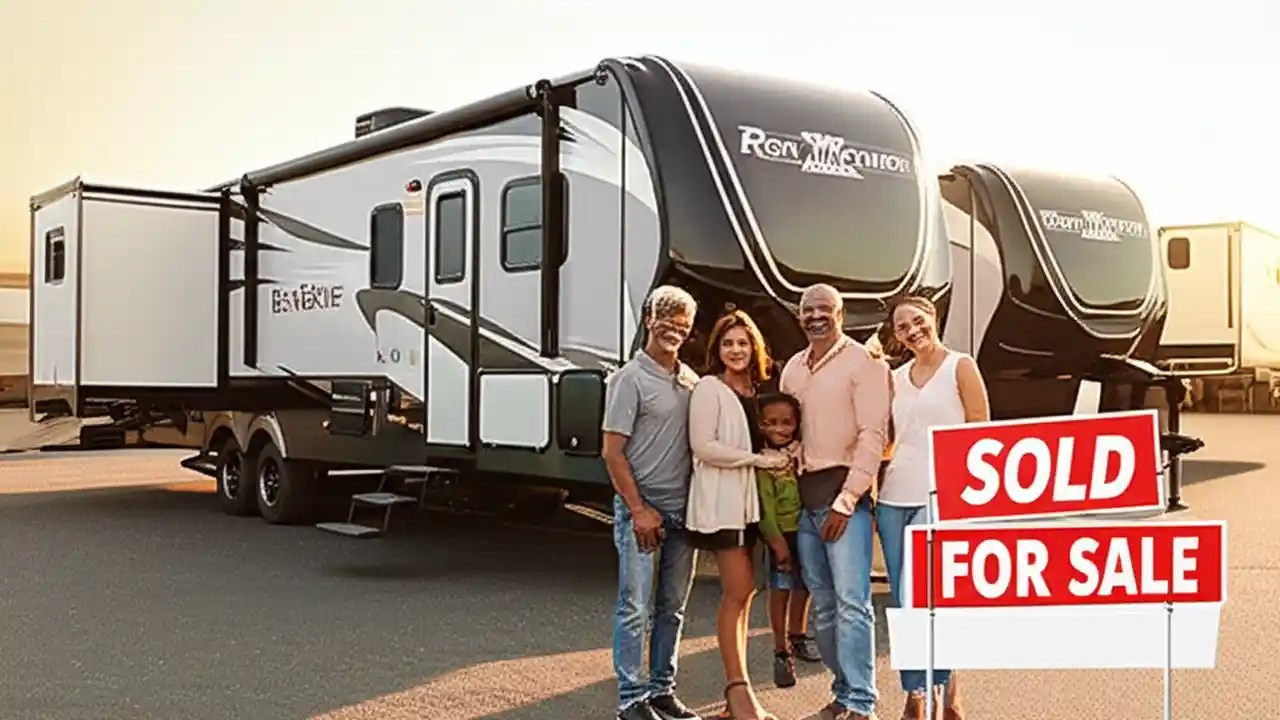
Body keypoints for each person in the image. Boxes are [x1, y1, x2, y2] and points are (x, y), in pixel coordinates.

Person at [778, 283, 892, 720]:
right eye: (808, 309)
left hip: (845, 499)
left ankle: (863, 703)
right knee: (822, 606)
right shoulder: (792, 368)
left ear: (841, 314)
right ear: (799, 315)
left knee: (852, 603)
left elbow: (873, 435)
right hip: (805, 500)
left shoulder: (864, 363)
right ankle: (843, 692)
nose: (816, 315)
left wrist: (848, 499)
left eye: (825, 308)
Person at [877, 295, 988, 720]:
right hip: (893, 499)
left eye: (917, 321)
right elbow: (887, 436)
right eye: (902, 327)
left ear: (933, 319)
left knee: (933, 597)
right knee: (905, 603)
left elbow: (980, 432)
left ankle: (935, 691)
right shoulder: (894, 375)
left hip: (942, 497)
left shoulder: (961, 365)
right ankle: (922, 689)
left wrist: (971, 499)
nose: (911, 330)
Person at [601, 285, 703, 720]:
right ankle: (631, 699)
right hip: (640, 513)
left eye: (682, 324)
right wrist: (639, 509)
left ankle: (662, 689)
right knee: (635, 608)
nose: (674, 330)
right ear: (648, 320)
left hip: (683, 513)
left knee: (672, 609)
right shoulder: (629, 379)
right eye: (666, 321)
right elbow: (611, 451)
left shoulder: (690, 380)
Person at [685, 310, 788, 720]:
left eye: (743, 343)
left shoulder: (760, 392)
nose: (736, 350)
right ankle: (738, 691)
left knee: (746, 596)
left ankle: (735, 700)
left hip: (753, 506)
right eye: (728, 343)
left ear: (755, 346)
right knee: (738, 590)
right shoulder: (709, 388)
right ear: (717, 350)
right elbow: (703, 446)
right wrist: (756, 461)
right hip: (723, 503)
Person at [752, 392, 822, 690]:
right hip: (778, 534)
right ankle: (781, 650)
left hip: (804, 529)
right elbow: (764, 509)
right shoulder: (764, 465)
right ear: (761, 426)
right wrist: (776, 542)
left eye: (787, 423)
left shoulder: (802, 455)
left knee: (804, 585)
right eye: (772, 423)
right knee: (781, 588)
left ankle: (798, 633)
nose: (780, 429)